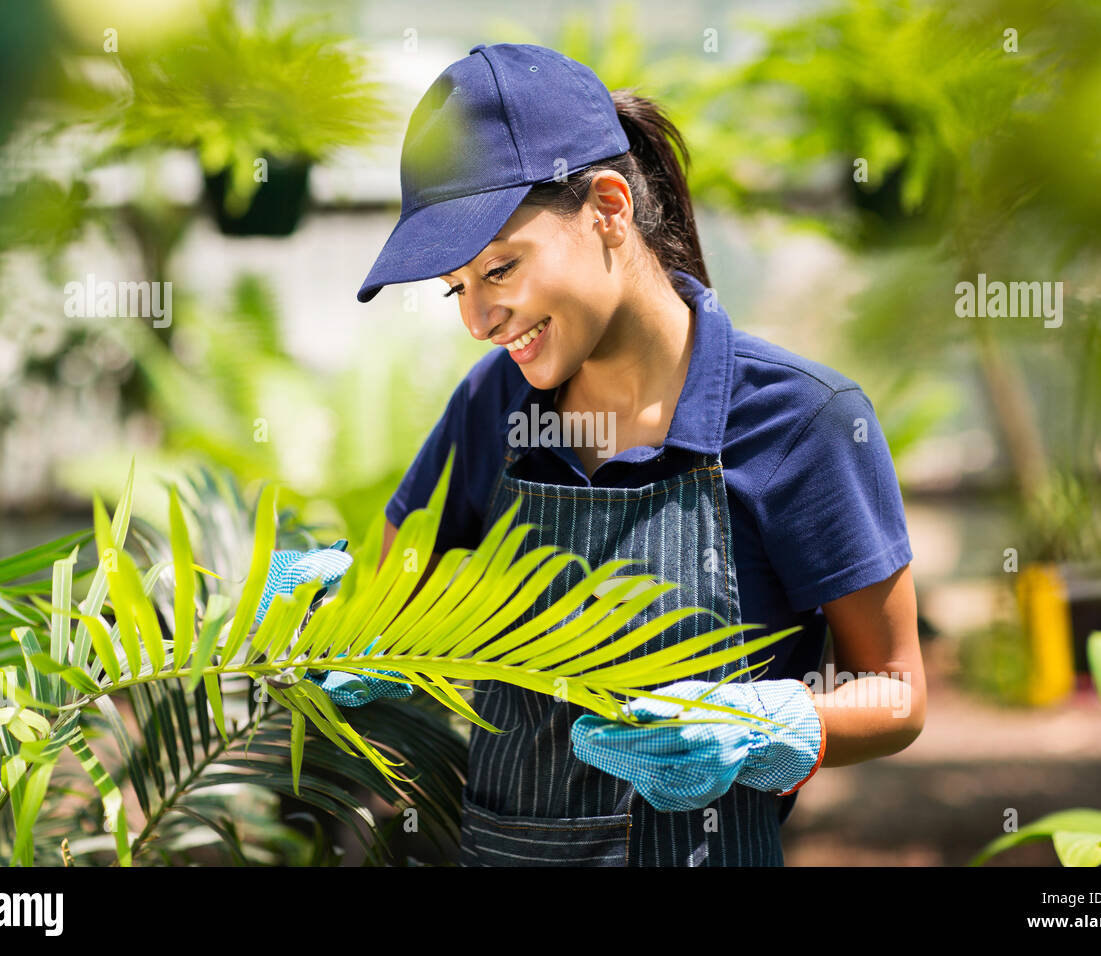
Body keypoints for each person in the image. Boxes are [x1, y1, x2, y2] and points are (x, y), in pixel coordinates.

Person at [264, 41, 925, 867]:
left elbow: (898, 693)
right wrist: (330, 623)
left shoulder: (801, 423)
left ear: (609, 209)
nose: (479, 320)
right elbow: (398, 601)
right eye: (457, 288)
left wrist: (770, 728)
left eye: (499, 269)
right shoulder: (492, 407)